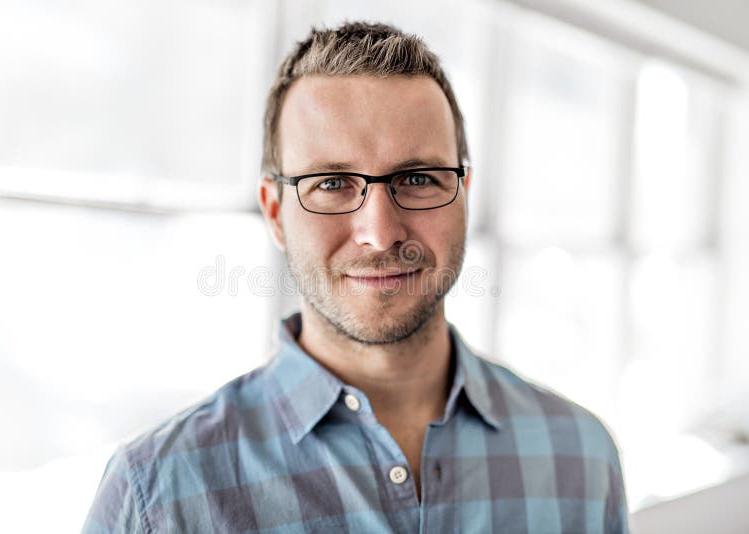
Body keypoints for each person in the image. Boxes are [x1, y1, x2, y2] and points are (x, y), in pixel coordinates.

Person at [83, 22, 627, 533]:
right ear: (275, 213)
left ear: (464, 195)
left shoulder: (580, 456)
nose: (380, 233)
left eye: (417, 178)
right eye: (332, 183)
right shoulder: (155, 497)